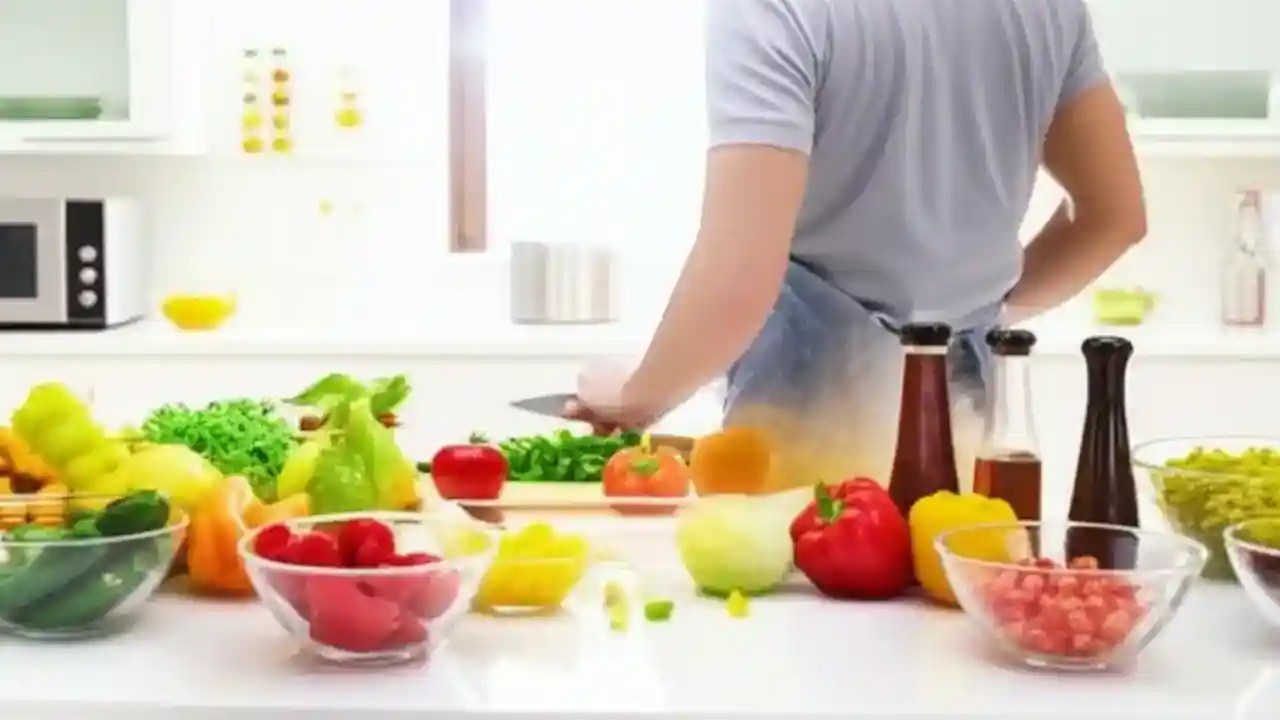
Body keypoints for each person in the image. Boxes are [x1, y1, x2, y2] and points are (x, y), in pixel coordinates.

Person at [568, 0, 1146, 485]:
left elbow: (739, 279)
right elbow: (1113, 217)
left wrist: (636, 396)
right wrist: (967, 319)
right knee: (960, 601)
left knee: (806, 611)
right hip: (976, 424)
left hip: (813, 431)